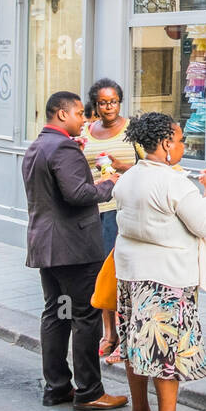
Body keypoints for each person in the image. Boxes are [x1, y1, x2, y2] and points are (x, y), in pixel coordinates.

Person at [114, 112, 206, 411]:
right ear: (165, 143)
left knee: (136, 344)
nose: (181, 145)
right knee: (166, 348)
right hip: (167, 278)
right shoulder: (175, 183)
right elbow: (204, 224)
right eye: (178, 140)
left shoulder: (128, 177)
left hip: (131, 274)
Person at [20, 90, 128, 411]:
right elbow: (78, 194)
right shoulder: (64, 147)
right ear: (63, 114)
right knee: (85, 315)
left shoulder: (38, 145)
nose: (85, 119)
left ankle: (57, 387)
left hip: (48, 246)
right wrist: (109, 182)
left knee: (58, 312)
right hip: (74, 249)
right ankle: (90, 391)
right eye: (80, 113)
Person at [79, 78, 138, 366]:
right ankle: (109, 332)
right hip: (92, 208)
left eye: (113, 101)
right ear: (96, 104)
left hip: (122, 208)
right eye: (103, 102)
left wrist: (121, 166)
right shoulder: (87, 131)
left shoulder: (131, 130)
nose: (108, 107)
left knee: (119, 273)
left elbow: (147, 166)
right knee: (101, 273)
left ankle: (122, 336)